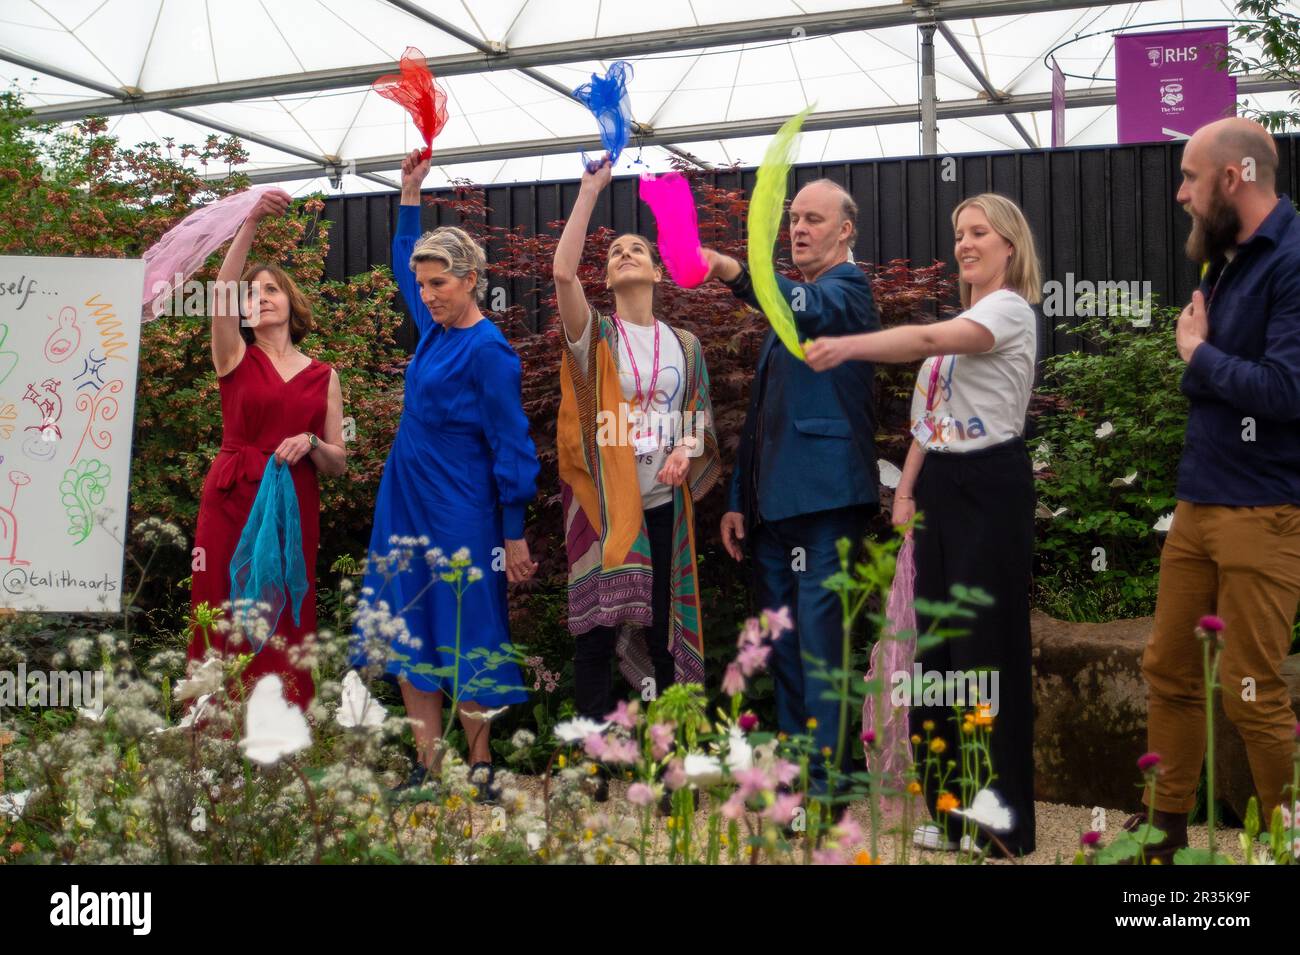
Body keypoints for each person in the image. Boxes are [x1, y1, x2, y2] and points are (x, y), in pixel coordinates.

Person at [804, 192, 1041, 857]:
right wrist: (906, 488)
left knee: (983, 648)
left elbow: (931, 339)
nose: (964, 243)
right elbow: (929, 423)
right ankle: (949, 808)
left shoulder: (1009, 310)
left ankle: (999, 822)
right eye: (958, 232)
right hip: (941, 483)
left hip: (990, 484)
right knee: (933, 652)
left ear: (1009, 246)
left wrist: (849, 344)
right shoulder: (969, 316)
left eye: (978, 232)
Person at [1123, 117, 1300, 861]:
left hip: (1263, 507)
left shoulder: (1292, 259)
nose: (1181, 192)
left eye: (1191, 177)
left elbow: (1287, 391)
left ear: (1235, 178)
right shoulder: (1223, 262)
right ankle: (1163, 828)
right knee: (1168, 665)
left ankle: (1283, 836)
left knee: (1252, 686)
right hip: (1199, 501)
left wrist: (1196, 354)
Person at [353, 149, 540, 800]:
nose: (427, 294)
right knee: (407, 628)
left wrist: (512, 531)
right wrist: (409, 190)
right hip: (403, 502)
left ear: (469, 280)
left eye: (438, 284)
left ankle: (482, 766)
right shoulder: (433, 327)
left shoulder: (490, 350)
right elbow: (407, 254)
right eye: (423, 284)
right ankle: (428, 769)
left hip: (462, 508)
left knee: (469, 633)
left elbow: (513, 446)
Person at [701, 178, 880, 802]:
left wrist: (728, 267)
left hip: (828, 501)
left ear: (844, 231)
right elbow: (761, 420)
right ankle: (800, 771)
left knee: (821, 644)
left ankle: (828, 784)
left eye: (812, 219)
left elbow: (797, 307)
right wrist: (736, 502)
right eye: (793, 219)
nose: (797, 229)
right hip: (773, 509)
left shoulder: (846, 290)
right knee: (783, 644)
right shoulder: (794, 306)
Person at [553, 157, 721, 770]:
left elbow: (698, 415)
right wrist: (591, 190)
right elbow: (561, 270)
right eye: (615, 251)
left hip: (662, 509)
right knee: (596, 635)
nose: (625, 254)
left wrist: (684, 446)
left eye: (637, 248)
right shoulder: (593, 335)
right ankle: (592, 763)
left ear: (656, 270)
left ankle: (672, 759)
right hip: (603, 508)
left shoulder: (686, 345)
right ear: (606, 275)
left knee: (664, 634)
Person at [189, 189, 348, 711]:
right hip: (233, 495)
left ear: (290, 300)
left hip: (291, 504)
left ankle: (279, 730)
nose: (260, 297)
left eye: (271, 289)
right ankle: (211, 734)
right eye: (252, 293)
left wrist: (313, 442)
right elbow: (220, 291)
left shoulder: (325, 375)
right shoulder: (233, 354)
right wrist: (251, 221)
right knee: (222, 603)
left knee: (283, 614)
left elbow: (339, 463)